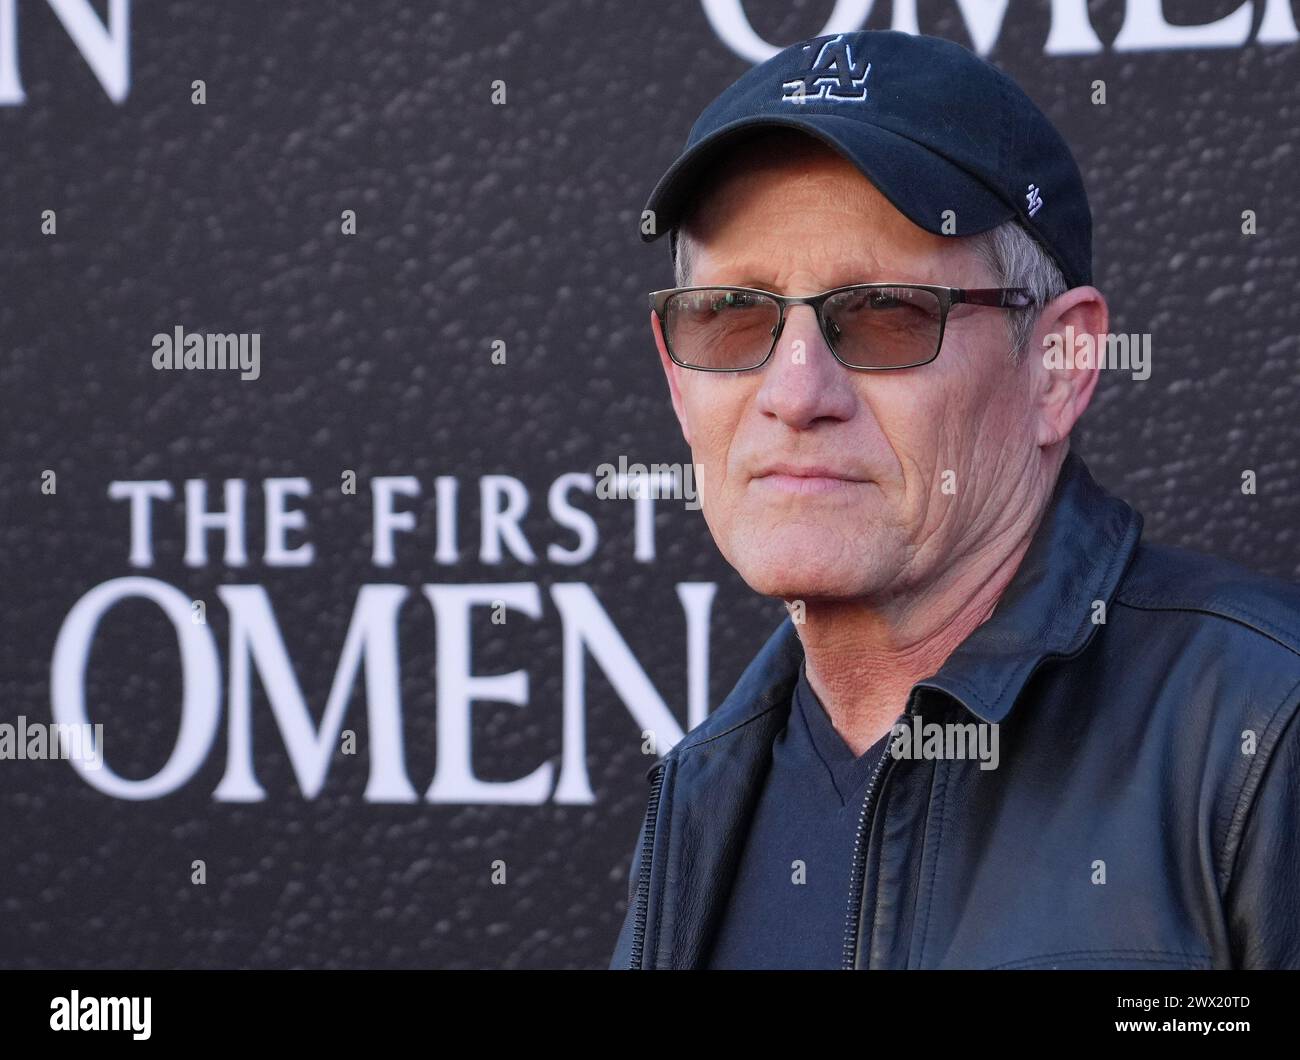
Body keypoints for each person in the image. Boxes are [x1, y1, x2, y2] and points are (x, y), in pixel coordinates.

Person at [609, 29, 1300, 970]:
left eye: (886, 314)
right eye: (733, 319)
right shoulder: (700, 793)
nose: (796, 392)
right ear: (677, 379)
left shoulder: (1266, 735)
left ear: (1060, 364)